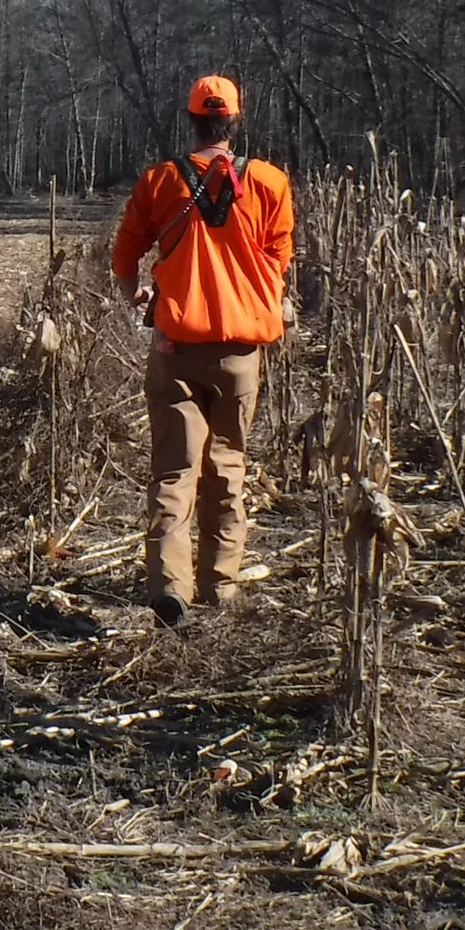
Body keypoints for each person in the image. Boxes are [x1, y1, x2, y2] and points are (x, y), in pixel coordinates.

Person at [109, 75, 294, 626]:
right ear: (234, 123)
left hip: (175, 345)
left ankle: (171, 586)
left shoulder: (161, 180)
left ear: (191, 121)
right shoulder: (269, 182)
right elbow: (280, 259)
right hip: (242, 351)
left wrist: (137, 292)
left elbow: (123, 258)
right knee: (228, 466)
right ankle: (223, 586)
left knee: (172, 470)